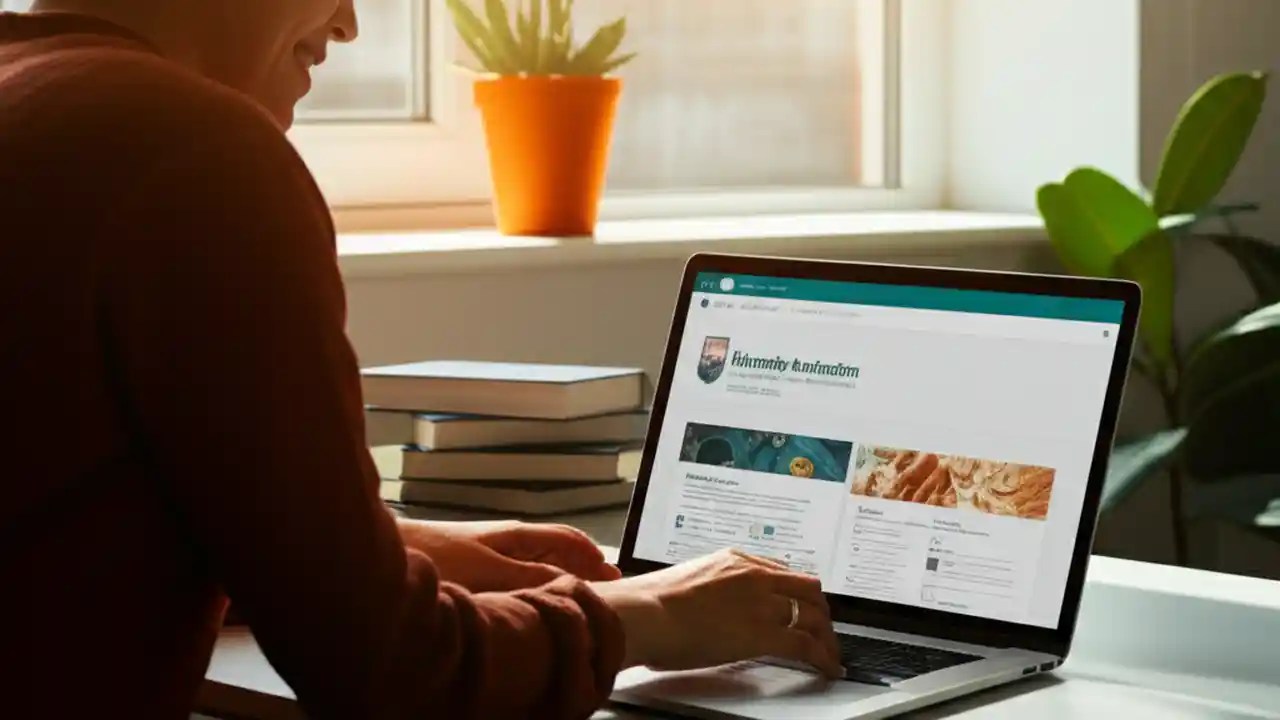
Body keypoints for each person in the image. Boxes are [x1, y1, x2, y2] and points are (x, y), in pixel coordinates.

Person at [0, 2, 842, 718]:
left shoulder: (34, 100)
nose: (350, 22)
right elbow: (393, 671)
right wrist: (647, 611)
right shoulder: (189, 151)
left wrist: (389, 550)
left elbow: (68, 525)